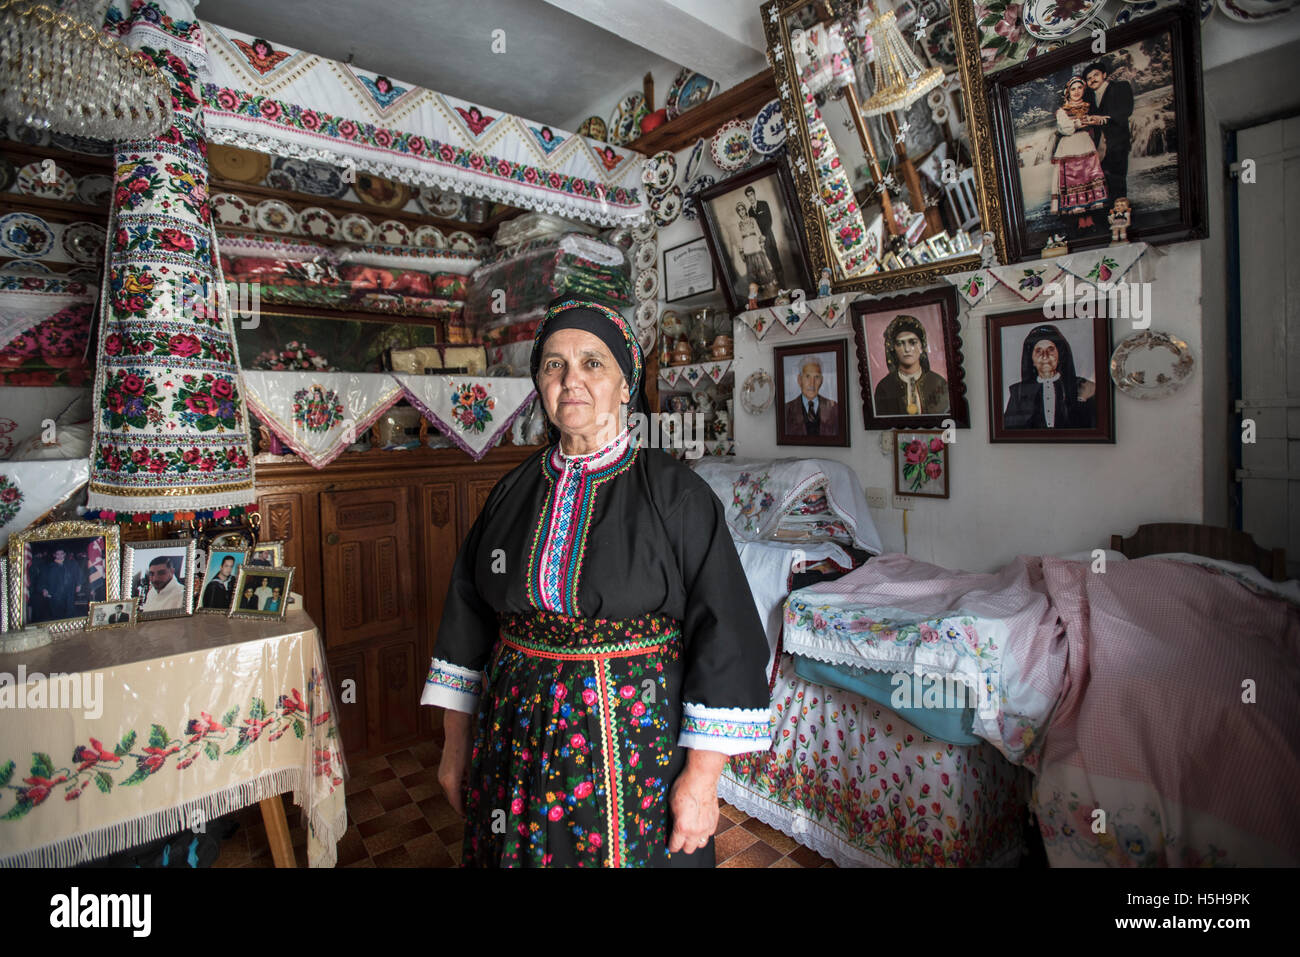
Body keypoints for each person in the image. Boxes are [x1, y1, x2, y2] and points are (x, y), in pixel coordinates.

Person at [425, 298, 772, 868]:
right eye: (554, 365)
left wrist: (703, 780)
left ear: (624, 384)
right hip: (516, 742)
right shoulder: (510, 494)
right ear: (539, 382)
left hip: (636, 751)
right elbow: (465, 627)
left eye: (593, 363)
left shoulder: (675, 494)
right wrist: (454, 746)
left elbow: (726, 636)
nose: (572, 380)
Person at [1003, 323, 1097, 429]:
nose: (1045, 356)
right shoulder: (1018, 392)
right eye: (1038, 351)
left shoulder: (1082, 387)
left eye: (1050, 350)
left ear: (1059, 355)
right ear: (1032, 360)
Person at [1050, 76, 1107, 217]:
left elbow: (1096, 121)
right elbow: (1064, 128)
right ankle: (1076, 206)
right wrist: (1077, 123)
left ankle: (1095, 201)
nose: (1076, 92)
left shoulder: (1088, 106)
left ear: (1084, 89)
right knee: (1073, 173)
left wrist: (1094, 120)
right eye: (1073, 89)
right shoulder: (1063, 111)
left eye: (1079, 88)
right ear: (1068, 92)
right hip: (1070, 145)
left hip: (1086, 142)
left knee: (1090, 171)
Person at [872, 315, 950, 416]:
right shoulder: (884, 387)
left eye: (913, 342)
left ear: (922, 347)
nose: (907, 349)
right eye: (900, 344)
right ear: (893, 349)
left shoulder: (938, 383)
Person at [1083, 58, 1134, 205]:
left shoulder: (1121, 87)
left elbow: (1126, 110)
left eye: (1095, 75)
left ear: (1104, 75)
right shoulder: (1089, 97)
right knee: (1105, 181)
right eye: (1089, 78)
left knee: (1118, 179)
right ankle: (1109, 211)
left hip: (1118, 142)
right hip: (1098, 146)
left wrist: (1106, 119)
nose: (1092, 80)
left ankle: (1122, 215)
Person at [782, 355, 838, 436]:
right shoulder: (787, 409)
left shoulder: (834, 408)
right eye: (807, 376)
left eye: (817, 377)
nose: (812, 383)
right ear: (799, 380)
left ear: (822, 381)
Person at [745, 185, 784, 287]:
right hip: (760, 240)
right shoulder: (749, 211)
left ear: (754, 194)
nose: (750, 197)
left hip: (768, 236)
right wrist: (759, 238)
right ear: (747, 198)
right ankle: (776, 281)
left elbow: (769, 220)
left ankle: (783, 282)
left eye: (751, 194)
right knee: (768, 259)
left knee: (775, 257)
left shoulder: (763, 204)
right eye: (748, 196)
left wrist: (764, 235)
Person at [733, 203, 775, 299]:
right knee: (752, 267)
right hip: (746, 245)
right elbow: (739, 238)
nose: (741, 211)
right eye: (739, 210)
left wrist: (761, 244)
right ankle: (757, 286)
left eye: (742, 209)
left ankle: (766, 284)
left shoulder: (752, 220)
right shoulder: (739, 224)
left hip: (754, 243)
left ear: (745, 210)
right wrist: (741, 251)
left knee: (760, 263)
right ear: (738, 213)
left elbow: (758, 231)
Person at [37, 547, 83, 622]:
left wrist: (79, 584)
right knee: (57, 616)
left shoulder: (71, 564)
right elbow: (42, 580)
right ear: (54, 555)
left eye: (62, 554)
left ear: (64, 554)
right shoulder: (48, 567)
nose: (60, 556)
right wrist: (44, 589)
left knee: (70, 614)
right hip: (55, 594)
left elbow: (78, 574)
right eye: (57, 554)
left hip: (69, 594)